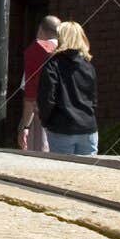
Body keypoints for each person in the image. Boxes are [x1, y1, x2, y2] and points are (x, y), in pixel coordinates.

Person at [39, 20, 99, 156]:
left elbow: (47, 98)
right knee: (87, 169)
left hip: (62, 128)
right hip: (88, 128)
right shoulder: (89, 66)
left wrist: (46, 121)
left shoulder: (52, 64)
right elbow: (94, 100)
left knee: (62, 169)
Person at [18, 15, 61, 152]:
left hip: (41, 118)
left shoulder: (37, 51)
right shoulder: (72, 52)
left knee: (37, 157)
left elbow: (30, 95)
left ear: (40, 30)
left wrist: (25, 126)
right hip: (72, 121)